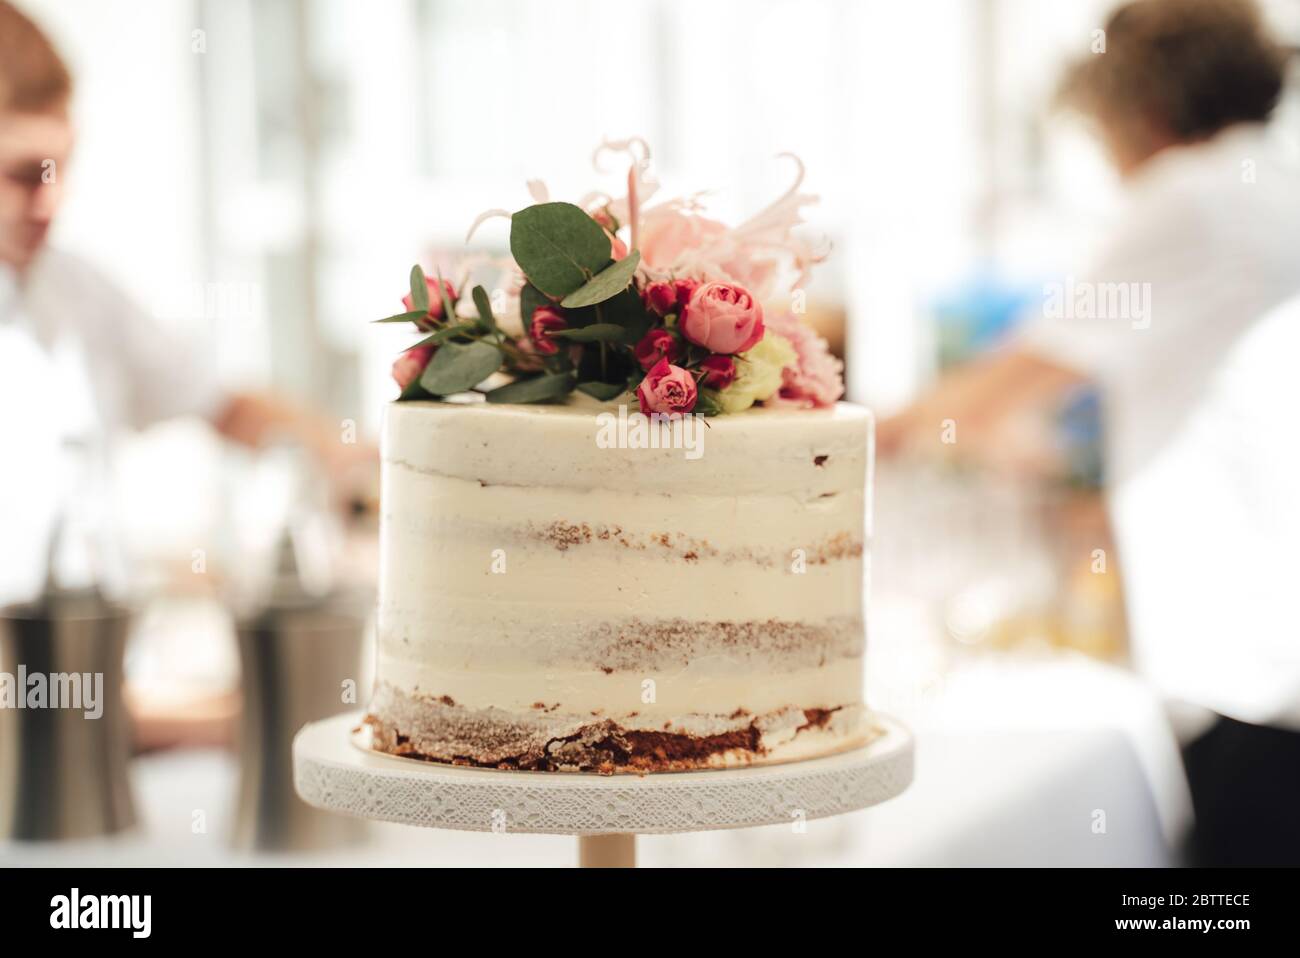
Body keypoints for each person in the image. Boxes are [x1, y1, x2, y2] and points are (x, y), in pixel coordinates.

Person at [879, 0, 1300, 865]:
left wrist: (859, 430)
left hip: (1259, 664)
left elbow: (1014, 382)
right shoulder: (1270, 184)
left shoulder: (1193, 195)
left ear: (1139, 114)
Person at [0, 3, 373, 743]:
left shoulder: (74, 290)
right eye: (19, 173)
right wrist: (230, 722)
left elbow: (220, 404)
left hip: (85, 723)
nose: (51, 198)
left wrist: (341, 455)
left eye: (61, 166)